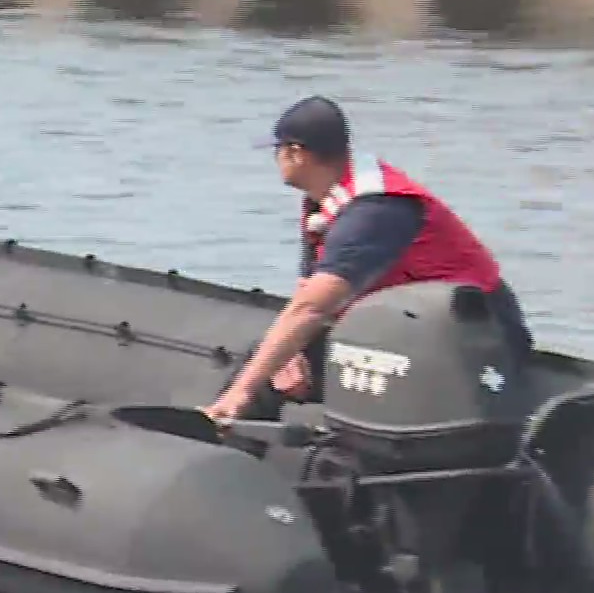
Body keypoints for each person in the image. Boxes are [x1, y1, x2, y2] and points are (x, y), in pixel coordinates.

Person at [202, 95, 534, 422]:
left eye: (277, 151)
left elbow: (313, 307)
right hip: (406, 328)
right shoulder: (326, 199)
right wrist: (294, 352)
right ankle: (237, 456)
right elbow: (310, 293)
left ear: (295, 153)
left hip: (471, 338)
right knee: (263, 361)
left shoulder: (375, 209)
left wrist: (240, 393)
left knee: (254, 383)